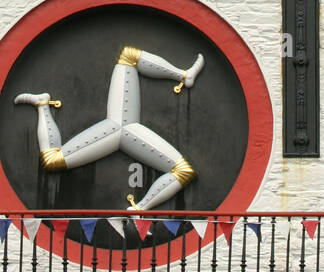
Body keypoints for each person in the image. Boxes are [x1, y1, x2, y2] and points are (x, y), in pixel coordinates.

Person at [15, 45, 204, 210]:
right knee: (128, 55)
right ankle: (141, 208)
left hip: (121, 128)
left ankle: (42, 104)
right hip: (120, 129)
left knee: (128, 55)